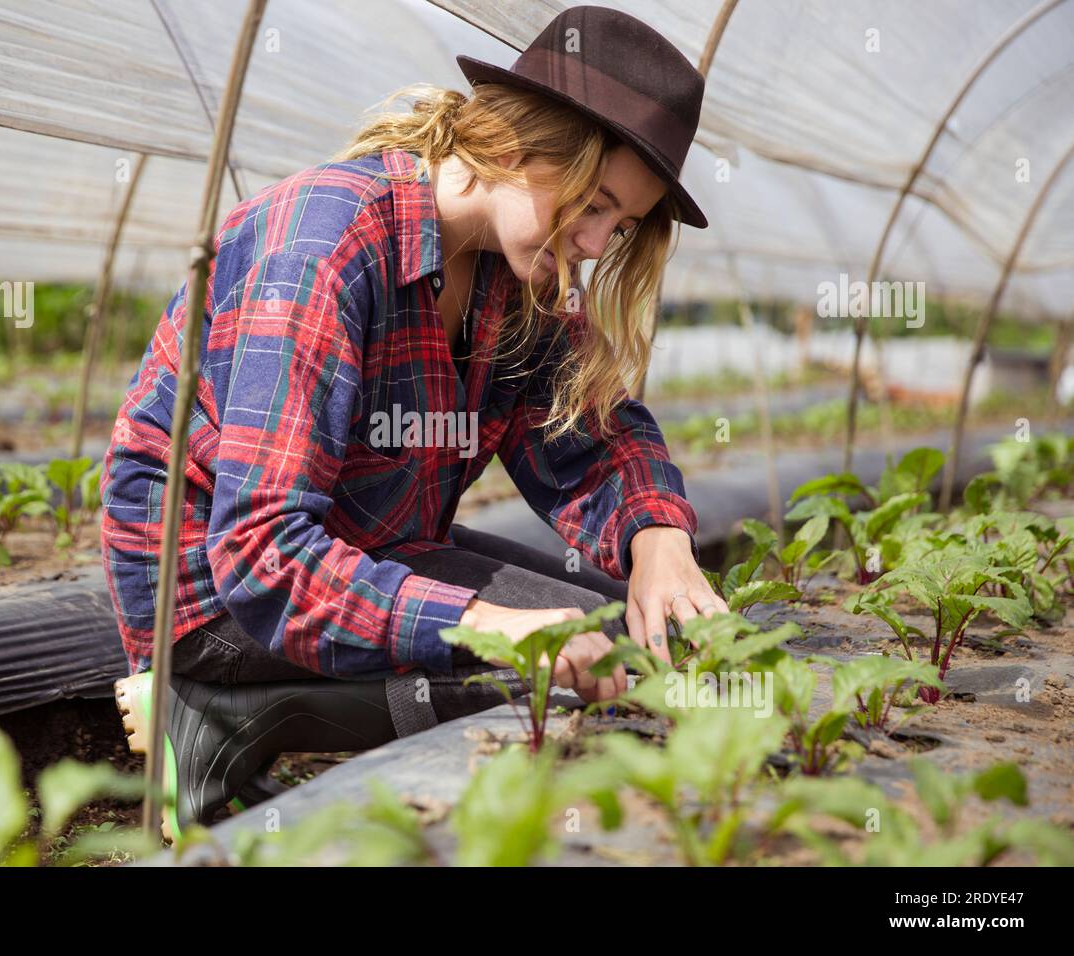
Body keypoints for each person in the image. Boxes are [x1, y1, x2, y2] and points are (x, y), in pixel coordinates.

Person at [101, 5, 729, 838]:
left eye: (620, 226)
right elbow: (260, 554)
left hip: (369, 547)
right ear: (515, 142)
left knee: (621, 645)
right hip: (215, 598)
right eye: (595, 203)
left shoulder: (517, 280)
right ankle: (222, 712)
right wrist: (489, 627)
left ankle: (250, 716)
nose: (595, 241)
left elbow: (596, 438)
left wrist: (658, 538)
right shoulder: (324, 244)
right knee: (553, 669)